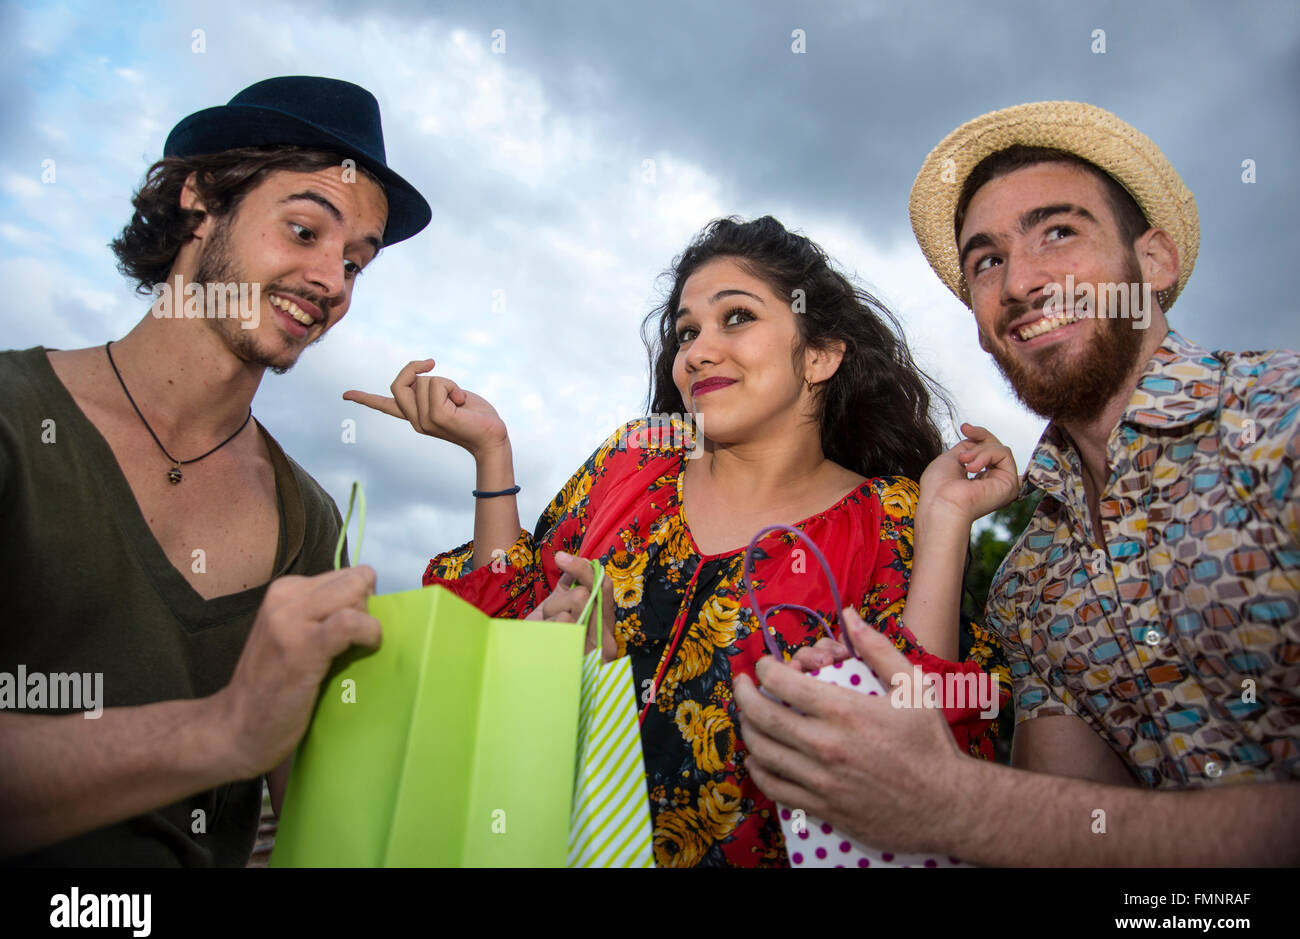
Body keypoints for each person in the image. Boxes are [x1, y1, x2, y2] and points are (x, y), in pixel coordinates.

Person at [343, 215, 1009, 867]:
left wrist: (946, 520)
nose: (697, 350)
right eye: (686, 331)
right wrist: (492, 454)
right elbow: (498, 626)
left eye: (738, 317)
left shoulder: (890, 518)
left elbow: (926, 748)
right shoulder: (632, 465)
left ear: (821, 354)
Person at [735, 101, 1300, 865]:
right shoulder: (1031, 584)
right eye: (986, 261)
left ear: (1155, 262)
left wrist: (954, 803)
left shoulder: (1280, 426)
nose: (1022, 282)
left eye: (1059, 232)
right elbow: (1064, 825)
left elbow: (997, 813)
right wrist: (882, 736)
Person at [0, 76, 431, 865]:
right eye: (304, 229)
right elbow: (242, 727)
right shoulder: (15, 417)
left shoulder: (311, 518)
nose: (331, 282)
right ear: (199, 200)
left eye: (356, 264)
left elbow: (323, 809)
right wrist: (220, 729)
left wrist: (494, 666)